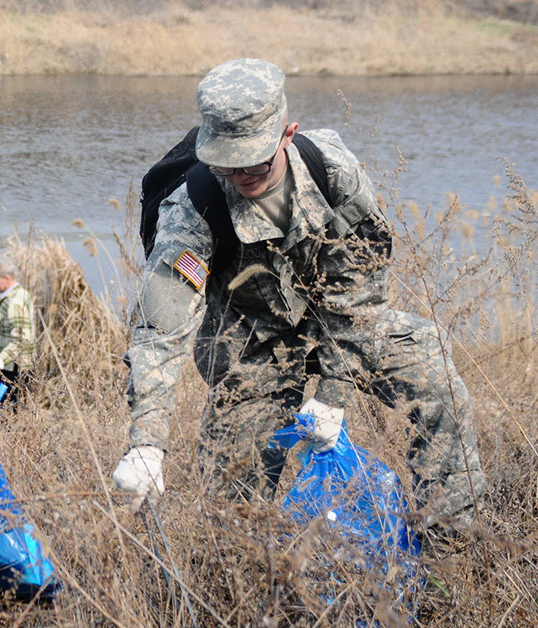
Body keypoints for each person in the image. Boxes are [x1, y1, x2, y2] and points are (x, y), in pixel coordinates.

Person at [113, 58, 485, 548]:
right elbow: (162, 330)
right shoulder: (192, 209)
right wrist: (147, 442)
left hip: (340, 326)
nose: (242, 175)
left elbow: (362, 288)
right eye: (228, 163)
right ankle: (246, 583)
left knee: (434, 371)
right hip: (251, 352)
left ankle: (450, 546)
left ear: (287, 134)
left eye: (255, 161)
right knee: (232, 497)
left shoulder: (331, 169)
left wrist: (334, 391)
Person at [0, 258, 36, 408]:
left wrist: (0, 360)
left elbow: (22, 339)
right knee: (13, 410)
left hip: (13, 366)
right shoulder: (18, 295)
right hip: (13, 365)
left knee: (9, 409)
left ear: (7, 278)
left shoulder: (15, 301)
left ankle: (13, 432)